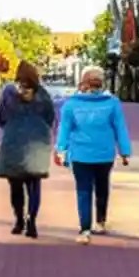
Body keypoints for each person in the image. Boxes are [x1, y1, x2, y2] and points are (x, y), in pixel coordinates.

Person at [55, 66, 131, 245]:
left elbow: (64, 129)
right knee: (102, 187)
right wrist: (125, 151)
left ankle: (85, 229)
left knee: (83, 190)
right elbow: (120, 128)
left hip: (80, 154)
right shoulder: (112, 103)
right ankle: (101, 221)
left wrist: (61, 150)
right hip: (105, 154)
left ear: (83, 82)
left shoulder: (72, 104)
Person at [0, 62, 56, 239]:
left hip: (14, 143)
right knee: (34, 185)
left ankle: (19, 220)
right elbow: (50, 117)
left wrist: (11, 127)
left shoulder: (9, 94)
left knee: (15, 185)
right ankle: (31, 221)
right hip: (37, 145)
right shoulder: (43, 95)